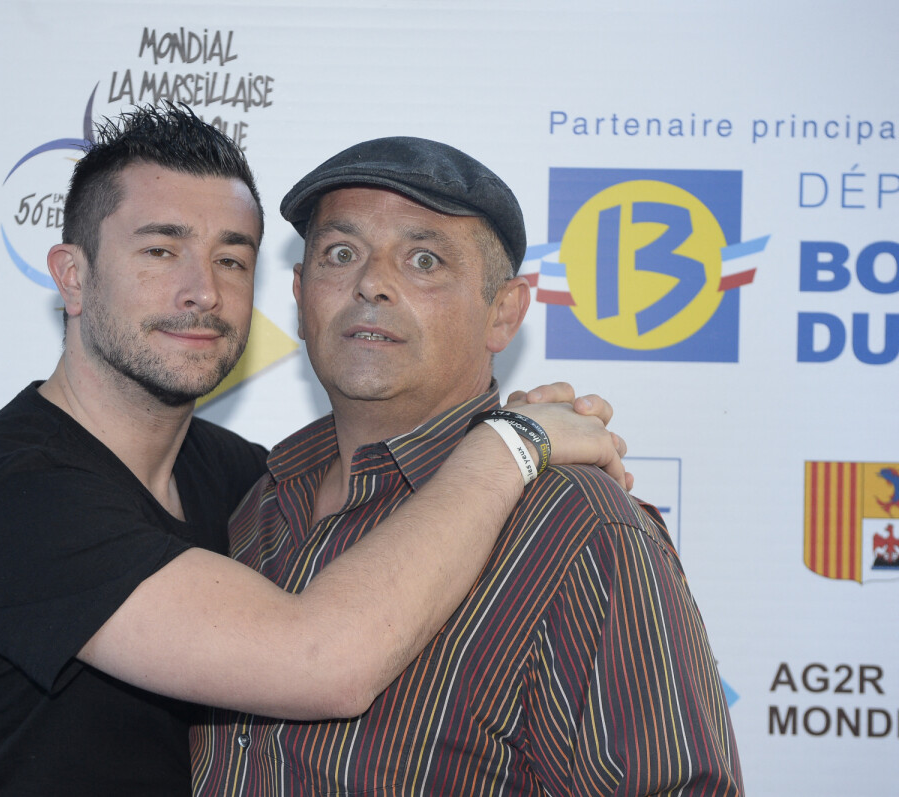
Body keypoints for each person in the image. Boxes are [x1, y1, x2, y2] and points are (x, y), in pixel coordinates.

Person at [0, 106, 627, 796]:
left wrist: (505, 440)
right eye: (161, 249)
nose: (201, 289)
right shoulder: (4, 497)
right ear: (73, 276)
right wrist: (510, 445)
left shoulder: (252, 483)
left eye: (232, 259)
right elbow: (318, 660)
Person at [191, 136, 744, 795]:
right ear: (300, 291)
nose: (371, 282)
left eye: (424, 260)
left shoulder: (578, 526)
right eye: (342, 254)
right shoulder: (254, 505)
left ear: (504, 312)